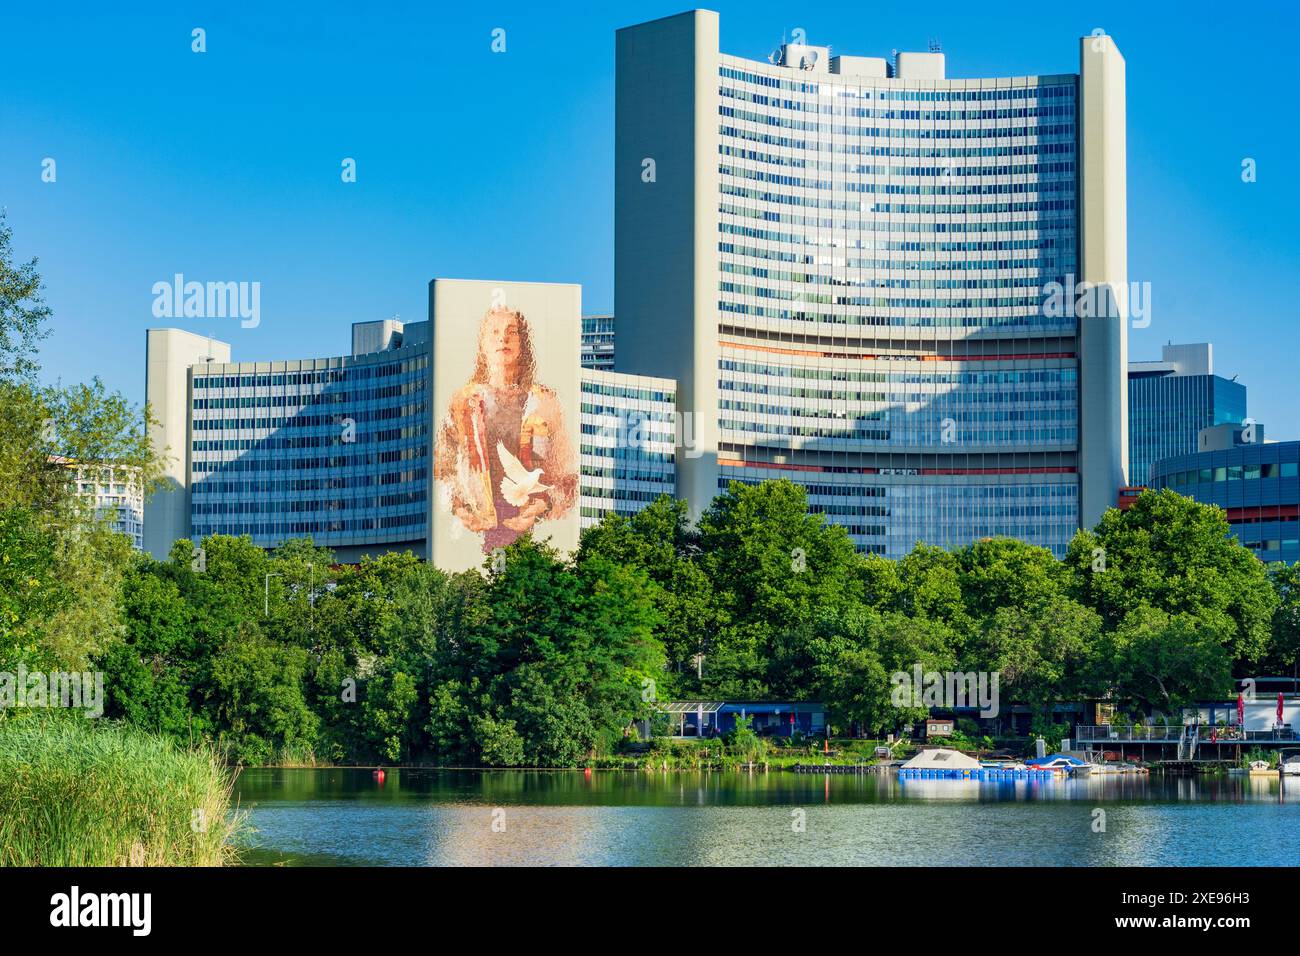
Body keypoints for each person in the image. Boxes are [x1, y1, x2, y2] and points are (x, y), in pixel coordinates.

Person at [435, 306, 577, 552]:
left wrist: (541, 507)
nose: (503, 338)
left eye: (512, 332)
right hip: (474, 533)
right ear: (482, 343)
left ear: (523, 342)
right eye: (495, 332)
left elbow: (566, 475)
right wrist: (459, 509)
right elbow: (442, 469)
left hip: (535, 533)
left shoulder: (546, 402)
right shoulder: (463, 402)